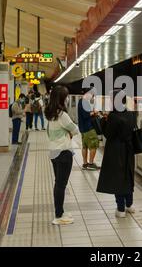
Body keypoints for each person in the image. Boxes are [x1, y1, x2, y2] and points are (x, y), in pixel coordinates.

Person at [97, 89, 136, 218]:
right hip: (128, 150)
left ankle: (120, 209)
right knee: (128, 175)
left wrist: (103, 120)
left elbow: (108, 134)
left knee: (117, 178)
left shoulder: (113, 116)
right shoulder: (131, 114)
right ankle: (129, 205)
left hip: (116, 150)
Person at [45, 85, 79, 225]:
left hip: (53, 152)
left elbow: (49, 132)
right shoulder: (62, 115)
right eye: (66, 97)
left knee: (58, 183)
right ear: (62, 98)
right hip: (64, 153)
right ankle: (58, 216)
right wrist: (68, 133)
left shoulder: (49, 113)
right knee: (61, 185)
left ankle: (60, 212)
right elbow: (75, 129)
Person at [77, 87, 100, 170]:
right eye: (92, 94)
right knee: (93, 145)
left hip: (82, 128)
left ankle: (85, 163)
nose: (92, 97)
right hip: (88, 127)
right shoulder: (84, 102)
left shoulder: (81, 101)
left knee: (85, 146)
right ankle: (90, 163)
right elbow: (86, 115)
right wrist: (95, 112)